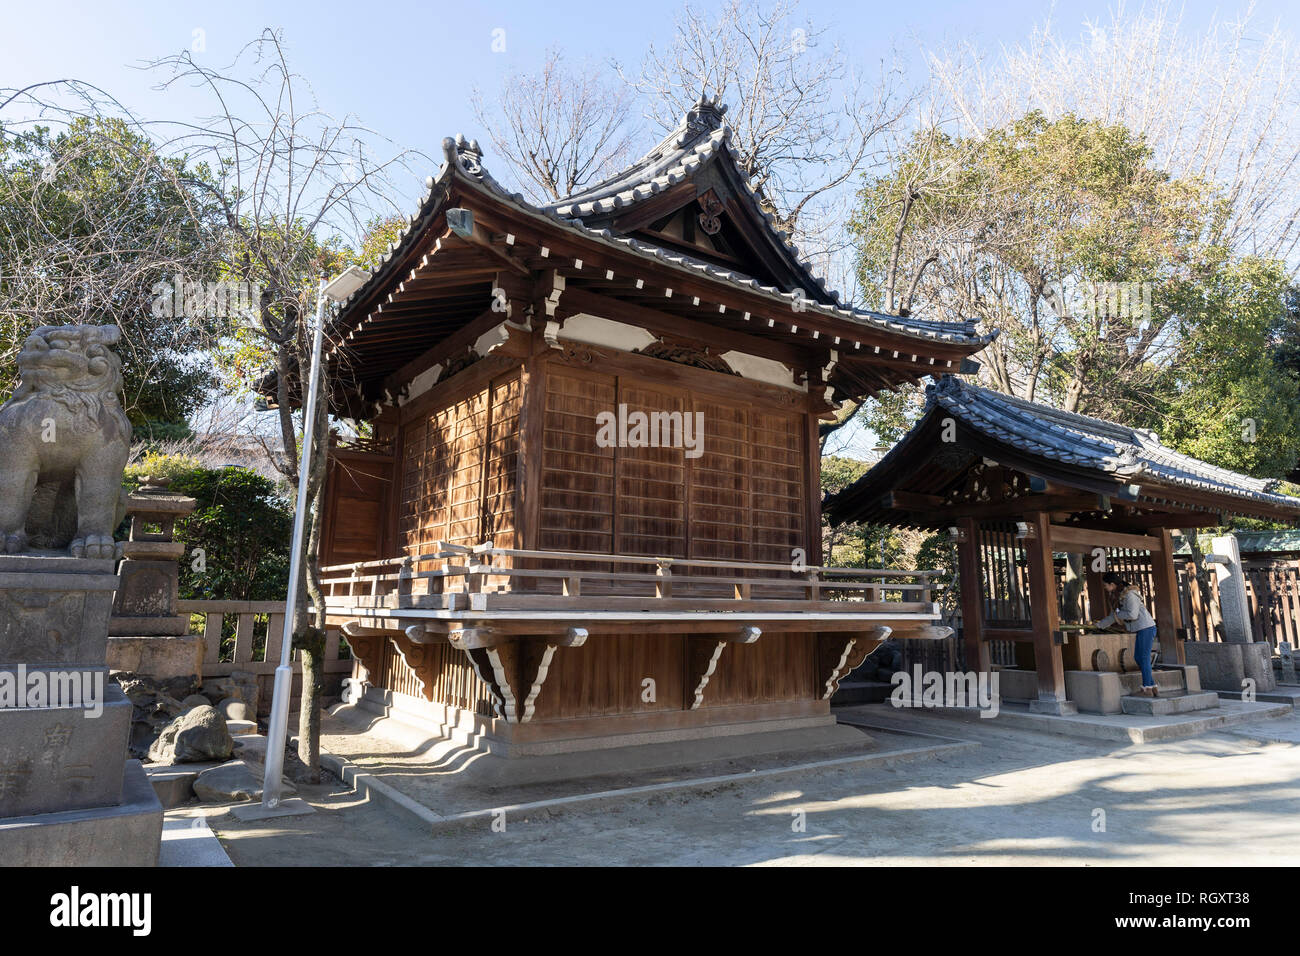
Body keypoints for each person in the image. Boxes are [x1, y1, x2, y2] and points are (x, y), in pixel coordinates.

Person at [1091, 571, 1160, 697]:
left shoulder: (1129, 595)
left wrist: (1117, 616)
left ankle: (1147, 689)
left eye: (1105, 585)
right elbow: (1114, 616)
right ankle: (1152, 686)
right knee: (1139, 658)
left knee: (1142, 658)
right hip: (1142, 629)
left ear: (1112, 584)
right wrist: (1099, 625)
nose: (1105, 588)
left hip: (1146, 628)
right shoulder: (1119, 595)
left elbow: (1132, 615)